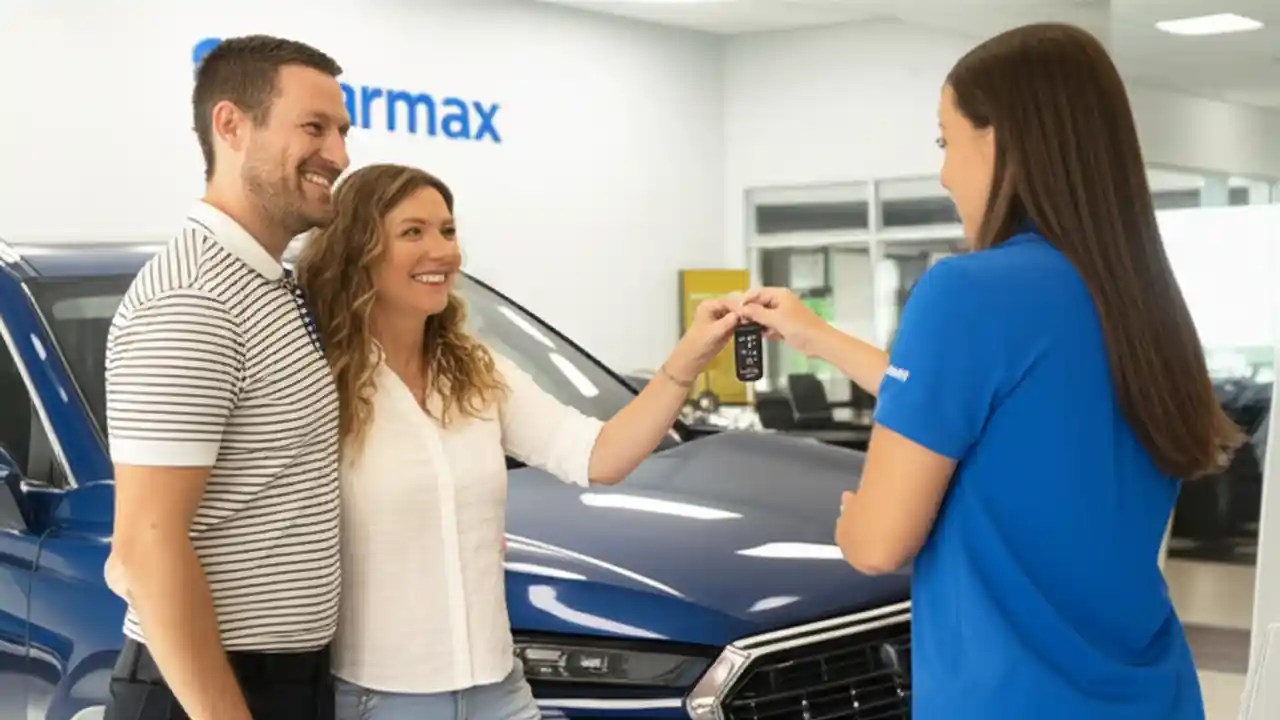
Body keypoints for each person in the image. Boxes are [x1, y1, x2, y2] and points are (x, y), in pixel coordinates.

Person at [738, 23, 1243, 720]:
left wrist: (854, 522)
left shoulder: (967, 292)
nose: (943, 172)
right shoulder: (1144, 301)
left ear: (998, 137)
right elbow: (983, 406)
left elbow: (880, 544)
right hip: (1154, 696)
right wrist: (818, 338)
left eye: (945, 141)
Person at [293, 163, 740, 719]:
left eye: (448, 230)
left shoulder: (474, 369)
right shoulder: (317, 379)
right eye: (413, 232)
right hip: (383, 699)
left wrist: (684, 363)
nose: (442, 251)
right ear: (358, 250)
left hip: (500, 692)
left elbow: (597, 455)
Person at [102, 34, 351, 720]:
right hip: (211, 690)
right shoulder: (194, 299)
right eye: (314, 127)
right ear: (231, 125)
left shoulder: (274, 284)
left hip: (287, 679)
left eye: (341, 131)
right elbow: (147, 546)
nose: (339, 154)